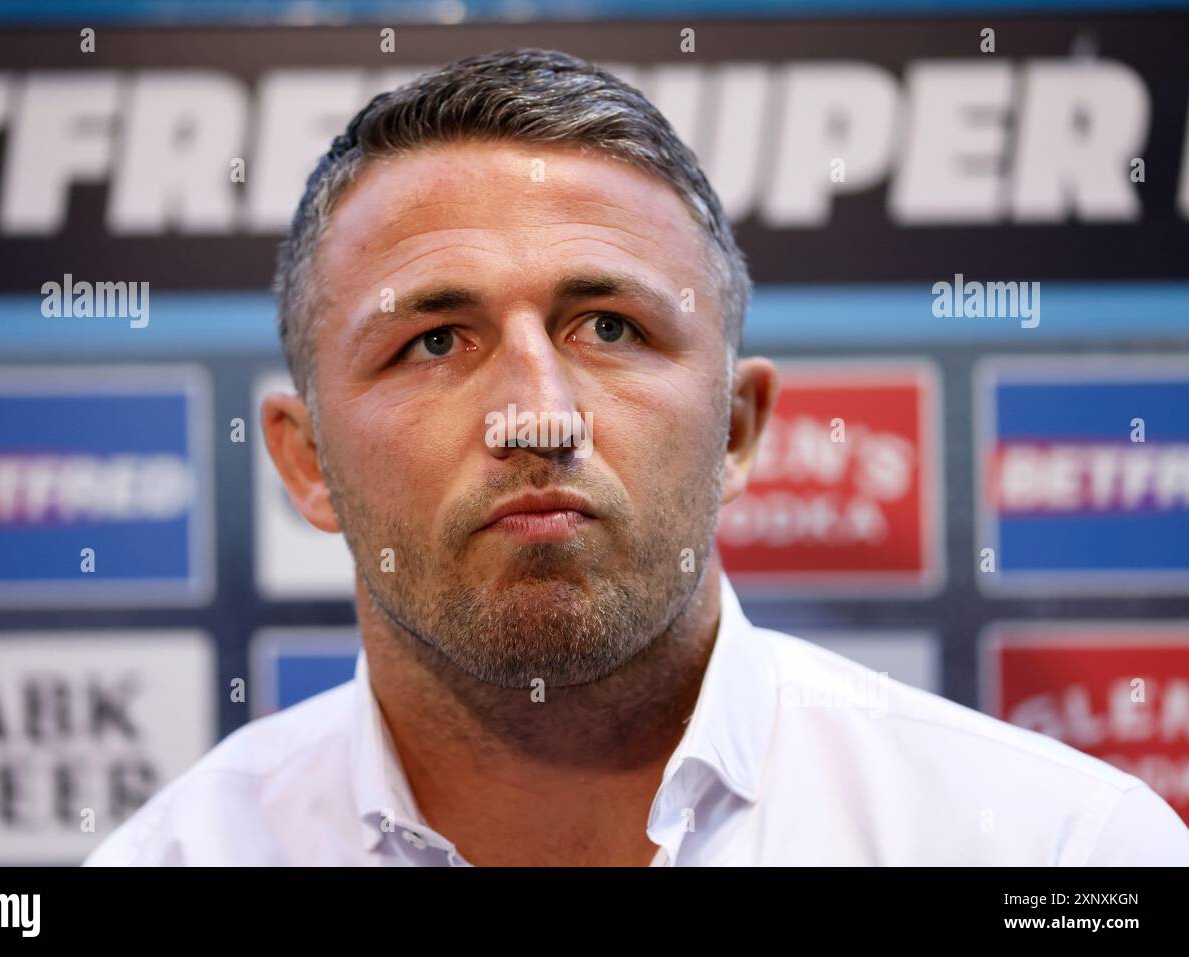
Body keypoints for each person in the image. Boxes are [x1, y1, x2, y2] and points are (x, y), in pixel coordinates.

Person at [85, 48, 1189, 866]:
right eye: (433, 341)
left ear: (737, 431)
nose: (536, 417)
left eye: (608, 326)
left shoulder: (1060, 853)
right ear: (306, 462)